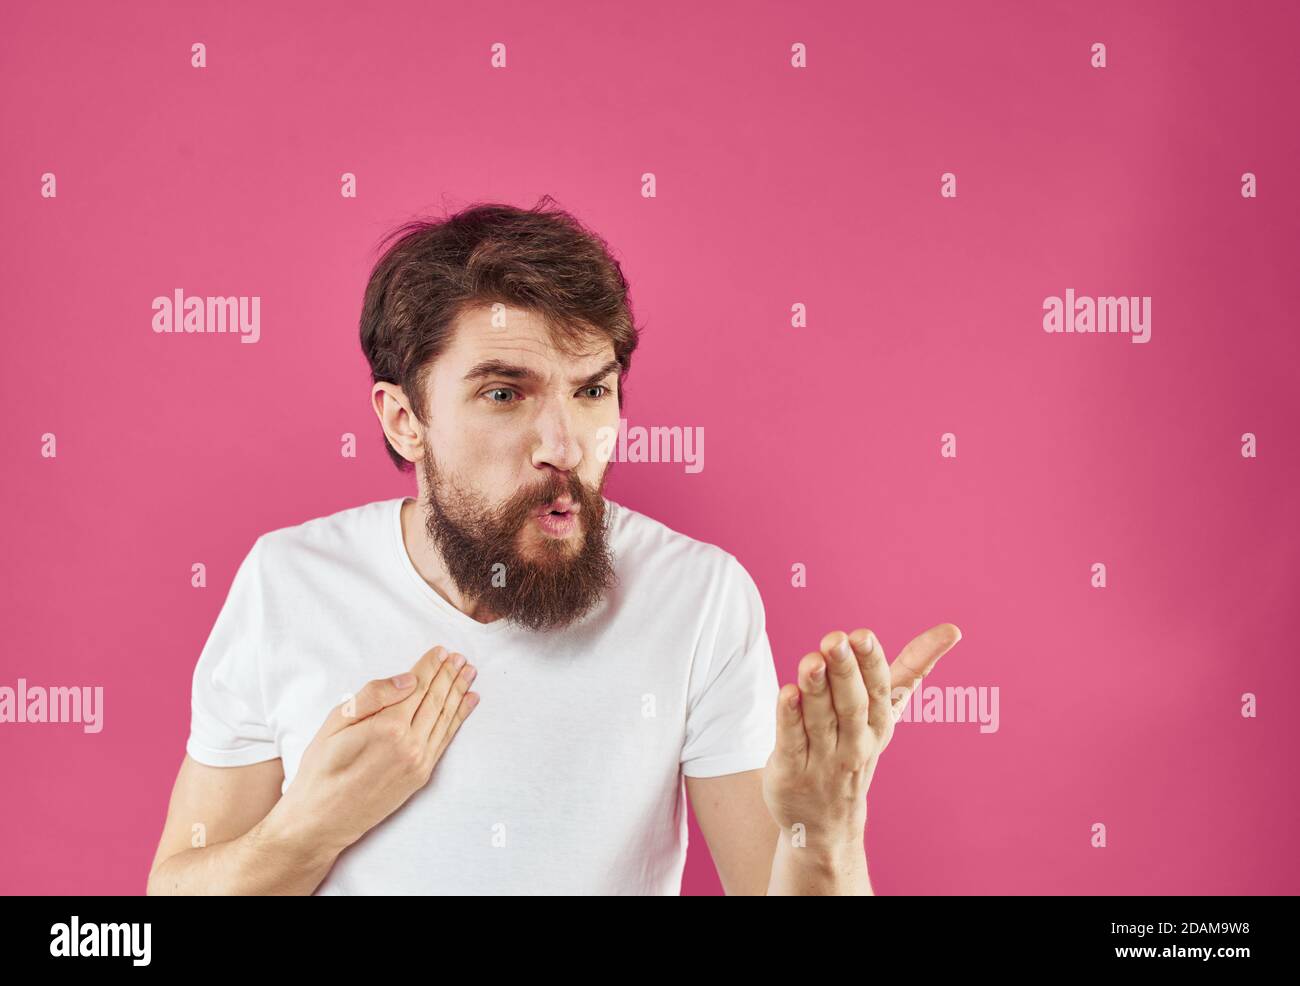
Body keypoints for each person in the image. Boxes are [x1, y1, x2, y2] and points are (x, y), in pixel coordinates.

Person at [146, 196, 962, 895]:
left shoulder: (698, 599)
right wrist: (307, 831)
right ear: (404, 419)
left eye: (592, 391)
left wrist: (827, 830)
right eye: (504, 393)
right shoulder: (287, 583)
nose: (564, 445)